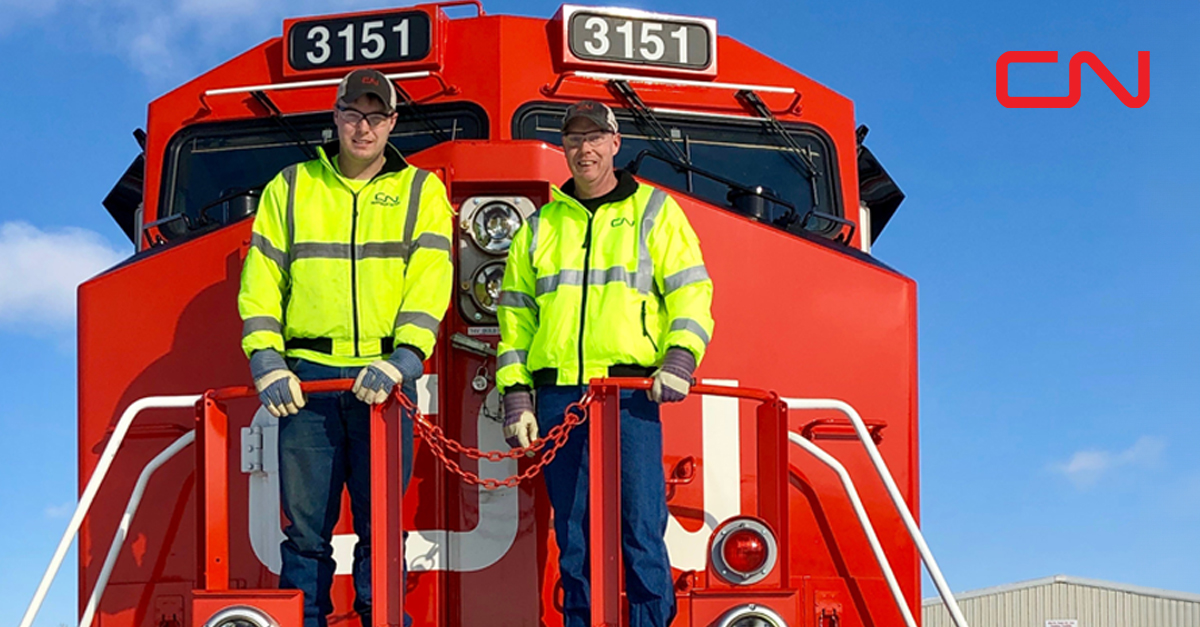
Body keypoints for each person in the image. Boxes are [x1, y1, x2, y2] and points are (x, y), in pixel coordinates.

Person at [238, 68, 454, 627]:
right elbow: (262, 279)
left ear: (392, 122)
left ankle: (381, 619)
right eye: (354, 114)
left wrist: (405, 359)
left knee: (381, 527)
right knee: (304, 532)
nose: (364, 127)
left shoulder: (421, 191)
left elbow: (431, 279)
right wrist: (266, 358)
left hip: (386, 379)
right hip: (306, 380)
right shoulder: (290, 187)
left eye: (376, 115)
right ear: (336, 117)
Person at [495, 100, 714, 627]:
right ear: (564, 148)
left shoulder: (656, 212)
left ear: (615, 144)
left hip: (630, 394)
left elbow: (691, 292)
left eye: (594, 138)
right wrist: (517, 393)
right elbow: (515, 317)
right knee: (574, 537)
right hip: (558, 397)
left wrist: (680, 357)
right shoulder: (540, 226)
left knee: (640, 529)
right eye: (574, 140)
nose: (584, 149)